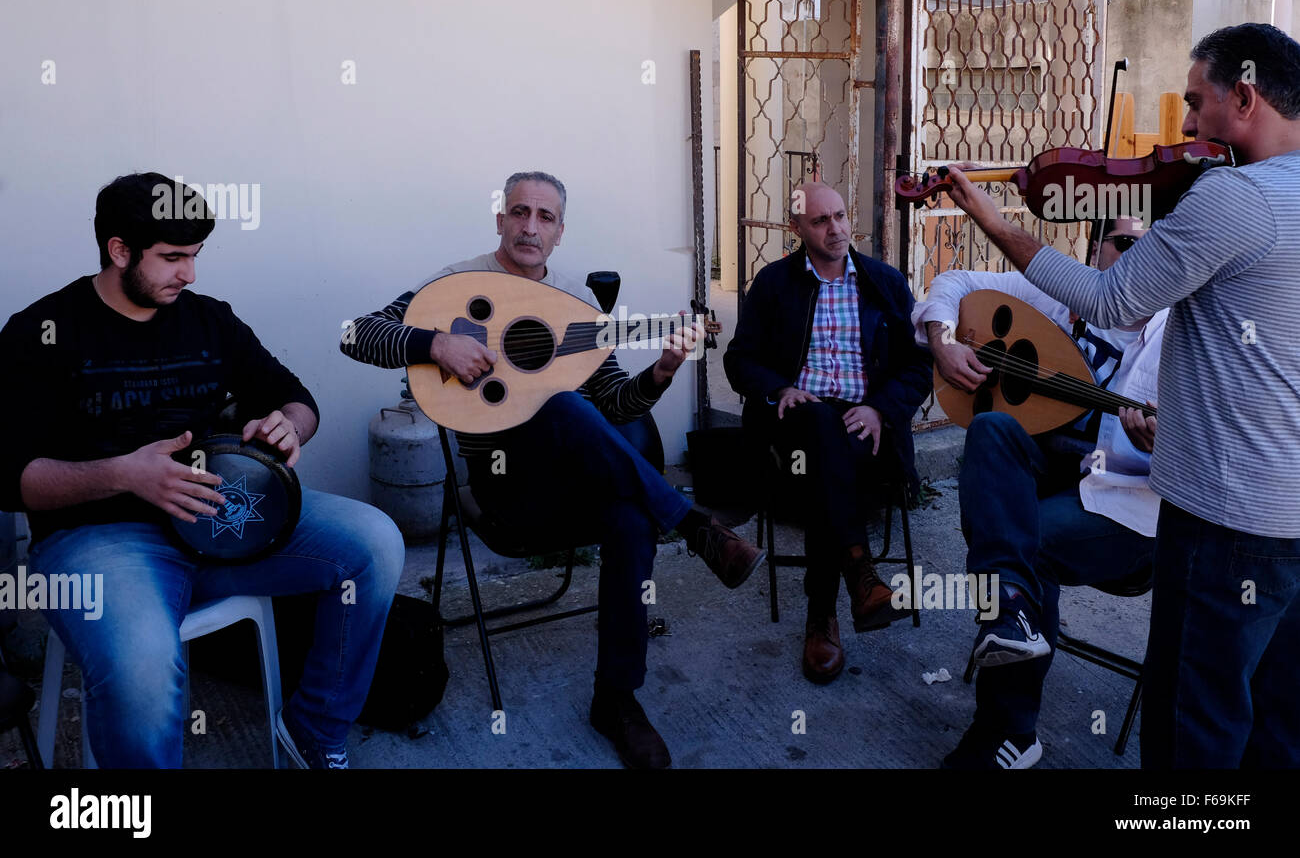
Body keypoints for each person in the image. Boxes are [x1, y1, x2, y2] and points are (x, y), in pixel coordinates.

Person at [943, 22, 1300, 768]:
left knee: (1191, 732)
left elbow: (1111, 298)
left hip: (1225, 518)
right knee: (1274, 724)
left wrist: (989, 220)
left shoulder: (1235, 196)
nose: (1189, 126)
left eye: (1197, 103)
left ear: (1244, 93)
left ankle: (1011, 709)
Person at [339, 170, 764, 770]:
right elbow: (357, 334)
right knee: (561, 404)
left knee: (628, 514)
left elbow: (617, 402)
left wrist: (663, 372)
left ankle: (615, 699)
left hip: (577, 482)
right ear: (500, 219)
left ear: (560, 232)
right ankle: (694, 524)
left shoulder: (577, 305)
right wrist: (436, 345)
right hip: (508, 489)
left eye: (545, 217)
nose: (530, 227)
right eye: (520, 212)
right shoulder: (456, 285)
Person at [0, 173, 404, 769]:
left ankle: (315, 733)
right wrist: (126, 474)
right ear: (118, 251)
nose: (188, 274)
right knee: (142, 664)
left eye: (194, 256)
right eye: (172, 258)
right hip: (103, 542)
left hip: (223, 517)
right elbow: (11, 480)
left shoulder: (210, 320)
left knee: (375, 543)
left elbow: (295, 399)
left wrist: (289, 426)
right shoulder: (43, 331)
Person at [914, 216, 1165, 768]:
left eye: (1153, 247)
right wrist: (945, 343)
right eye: (1125, 243)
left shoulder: (1180, 336)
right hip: (1041, 479)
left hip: (1122, 508)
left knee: (1021, 542)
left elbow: (1210, 451)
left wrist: (1157, 443)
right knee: (990, 429)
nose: (1138, 257)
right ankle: (1010, 617)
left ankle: (1007, 729)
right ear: (1096, 249)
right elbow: (952, 282)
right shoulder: (1058, 294)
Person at [724, 182, 932, 684]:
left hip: (869, 432)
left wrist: (881, 409)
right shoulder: (774, 284)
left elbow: (918, 367)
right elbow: (738, 360)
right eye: (820, 221)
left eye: (840, 216)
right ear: (797, 229)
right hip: (794, 428)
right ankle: (860, 575)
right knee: (820, 427)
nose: (835, 228)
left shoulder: (883, 282)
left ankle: (823, 617)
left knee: (832, 453)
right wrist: (779, 388)